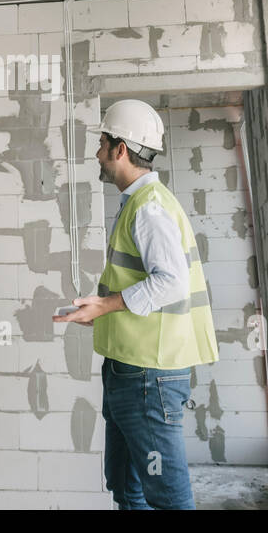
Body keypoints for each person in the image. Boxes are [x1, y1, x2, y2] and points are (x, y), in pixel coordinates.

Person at [54, 99, 218, 510]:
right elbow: (136, 286)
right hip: (132, 371)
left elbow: (172, 281)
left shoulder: (149, 209)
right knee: (128, 488)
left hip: (150, 377)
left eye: (102, 143)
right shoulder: (139, 205)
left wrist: (106, 306)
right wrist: (99, 311)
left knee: (166, 497)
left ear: (121, 149)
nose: (98, 153)